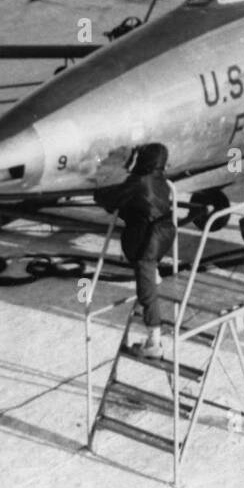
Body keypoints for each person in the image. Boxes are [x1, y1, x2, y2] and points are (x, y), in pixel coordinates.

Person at [93, 143, 177, 358]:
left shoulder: (138, 182)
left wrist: (108, 175)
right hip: (164, 234)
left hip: (147, 240)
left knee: (146, 292)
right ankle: (154, 275)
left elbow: (106, 198)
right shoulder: (162, 182)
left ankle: (154, 341)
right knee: (148, 274)